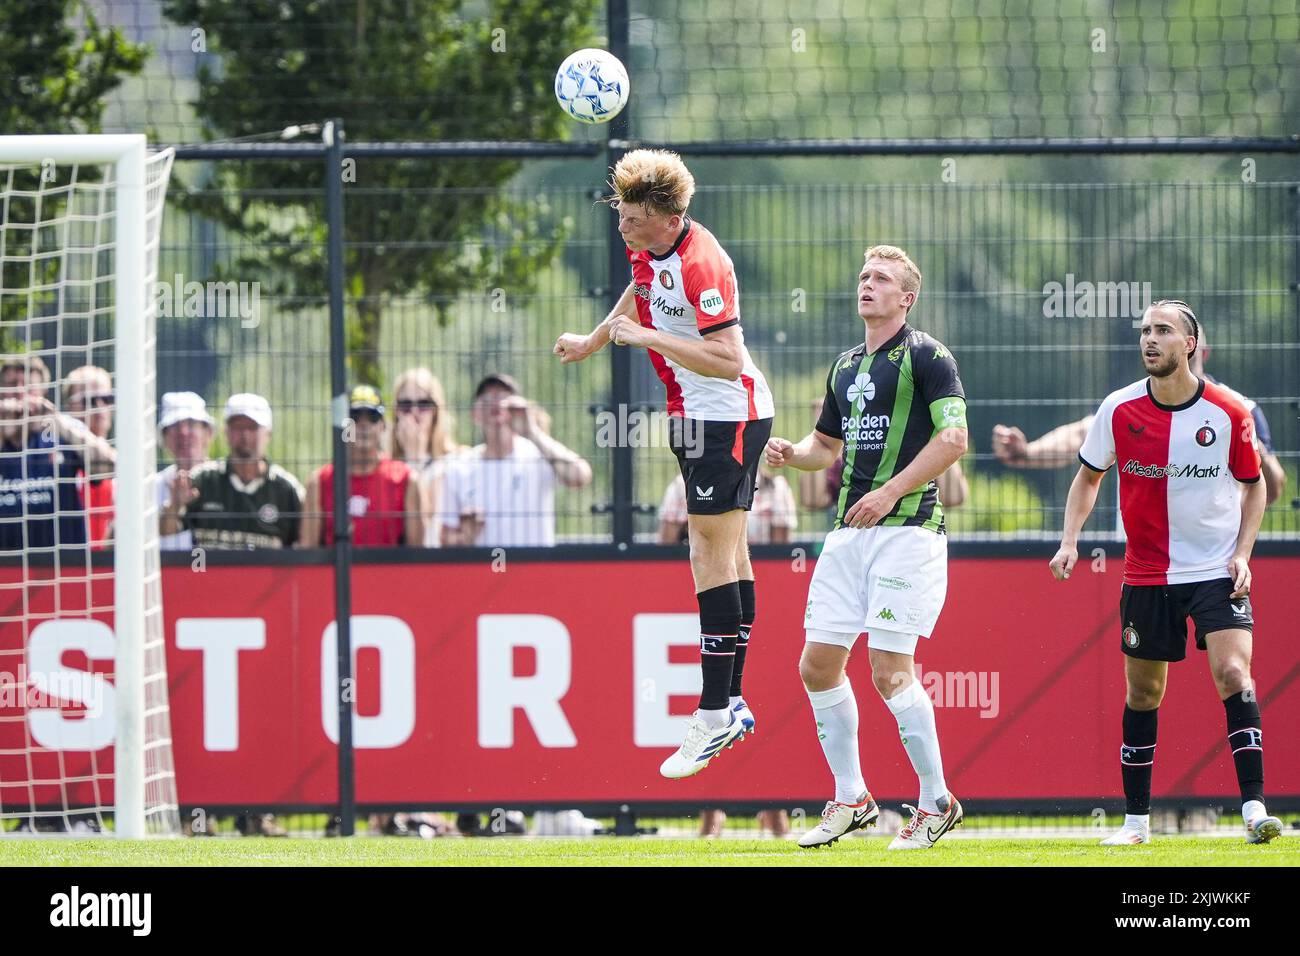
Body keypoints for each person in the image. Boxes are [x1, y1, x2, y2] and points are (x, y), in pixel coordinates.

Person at [554, 148, 776, 779]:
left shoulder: (702, 261)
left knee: (708, 551)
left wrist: (648, 338)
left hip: (723, 414)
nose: (618, 218)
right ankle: (730, 701)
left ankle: (713, 710)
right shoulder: (650, 249)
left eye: (626, 209)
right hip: (701, 414)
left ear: (657, 213)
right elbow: (640, 289)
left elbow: (728, 358)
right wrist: (594, 340)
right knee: (729, 553)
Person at [1049, 299, 1282, 846]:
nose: (1150, 339)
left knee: (1233, 675)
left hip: (1214, 571)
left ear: (1190, 345)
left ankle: (1253, 809)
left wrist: (1243, 552)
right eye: (1145, 331)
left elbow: (1256, 486)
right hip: (1148, 574)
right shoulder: (1118, 409)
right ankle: (1135, 825)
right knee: (1144, 694)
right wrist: (1069, 541)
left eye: (1163, 331)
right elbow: (1088, 479)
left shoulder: (1229, 412)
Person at [765, 245, 968, 850]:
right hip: (848, 534)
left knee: (888, 670)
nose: (867, 285)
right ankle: (851, 796)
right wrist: (791, 453)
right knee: (816, 665)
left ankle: (936, 803)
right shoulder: (845, 366)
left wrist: (889, 492)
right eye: (863, 277)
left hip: (908, 532)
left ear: (907, 297)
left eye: (881, 279)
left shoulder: (928, 355)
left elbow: (954, 438)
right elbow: (825, 447)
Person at [994, 326, 1286, 506]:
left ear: (1198, 349)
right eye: (1152, 333)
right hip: (1146, 561)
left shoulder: (1240, 409)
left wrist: (1256, 452)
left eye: (1178, 338)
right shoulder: (1128, 405)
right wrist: (1027, 452)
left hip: (1215, 560)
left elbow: (1271, 489)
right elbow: (1079, 436)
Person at [441, 373, 591, 547]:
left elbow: (580, 476)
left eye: (504, 397)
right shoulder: (458, 467)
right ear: (475, 413)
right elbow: (446, 540)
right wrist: (467, 536)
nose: (496, 402)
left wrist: (533, 433)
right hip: (484, 571)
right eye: (487, 397)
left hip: (534, 569)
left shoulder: (539, 455)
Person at [161, 393, 304, 550]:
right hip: (205, 573)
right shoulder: (203, 479)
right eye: (237, 427)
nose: (245, 435)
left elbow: (306, 545)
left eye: (252, 427)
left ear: (268, 434)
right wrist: (175, 506)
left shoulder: (287, 488)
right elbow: (166, 531)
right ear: (226, 433)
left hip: (264, 575)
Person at [299, 385, 426, 548]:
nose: (364, 425)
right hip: (338, 573)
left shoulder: (406, 480)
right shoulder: (319, 482)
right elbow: (308, 552)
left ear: (383, 426)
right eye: (355, 417)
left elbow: (416, 555)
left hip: (387, 571)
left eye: (373, 417)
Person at [389, 367, 467, 546]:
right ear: (396, 413)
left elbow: (428, 516)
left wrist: (416, 457)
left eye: (423, 404)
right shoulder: (386, 466)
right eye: (405, 405)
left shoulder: (457, 460)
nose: (414, 412)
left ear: (436, 411)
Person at [63, 366, 115, 548]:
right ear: (70, 406)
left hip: (109, 568)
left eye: (107, 399)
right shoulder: (58, 459)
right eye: (90, 400)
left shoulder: (120, 461)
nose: (100, 406)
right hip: (70, 568)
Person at [157, 391, 216, 551]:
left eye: (191, 424)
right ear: (164, 438)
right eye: (175, 426)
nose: (183, 433)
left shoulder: (226, 481)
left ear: (208, 433)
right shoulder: (149, 489)